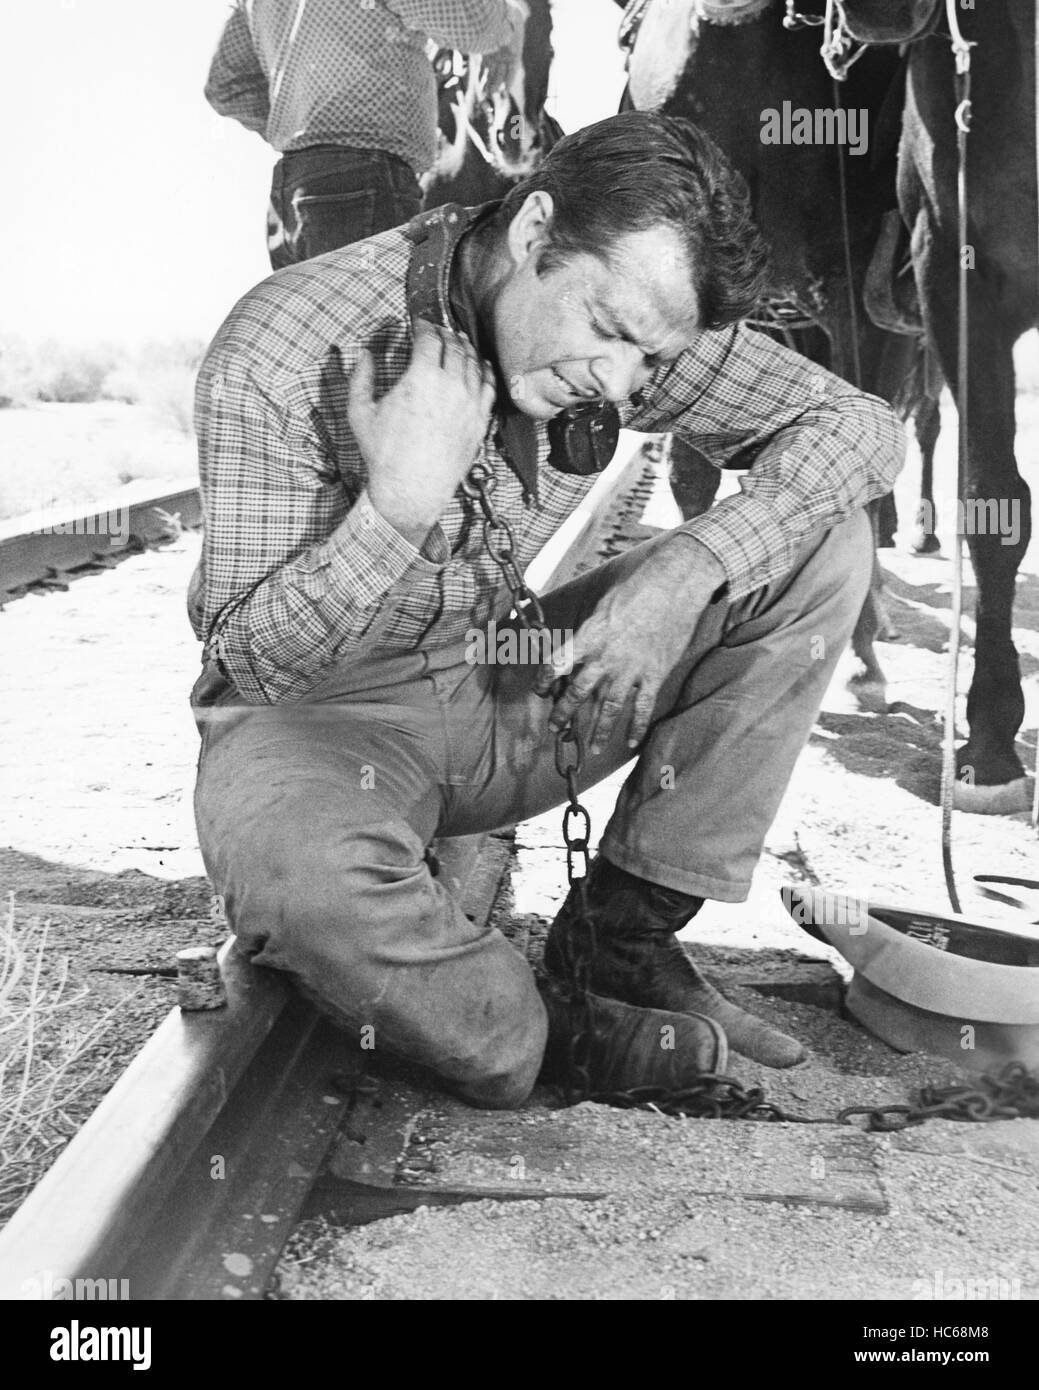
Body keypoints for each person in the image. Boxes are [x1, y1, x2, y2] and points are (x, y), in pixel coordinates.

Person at [188, 112, 905, 1108]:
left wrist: (690, 563)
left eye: (650, 363)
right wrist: (391, 511)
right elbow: (255, 664)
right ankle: (537, 1026)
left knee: (818, 540)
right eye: (608, 332)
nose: (619, 384)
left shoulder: (638, 310)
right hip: (313, 723)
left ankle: (621, 936)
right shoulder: (283, 341)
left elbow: (864, 432)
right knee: (303, 882)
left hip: (505, 670)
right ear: (534, 235)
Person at [204, 0, 527, 267]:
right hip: (364, 183)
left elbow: (227, 87)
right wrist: (511, 18)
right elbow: (477, 24)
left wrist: (303, 122)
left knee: (323, 339)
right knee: (375, 339)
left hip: (293, 192)